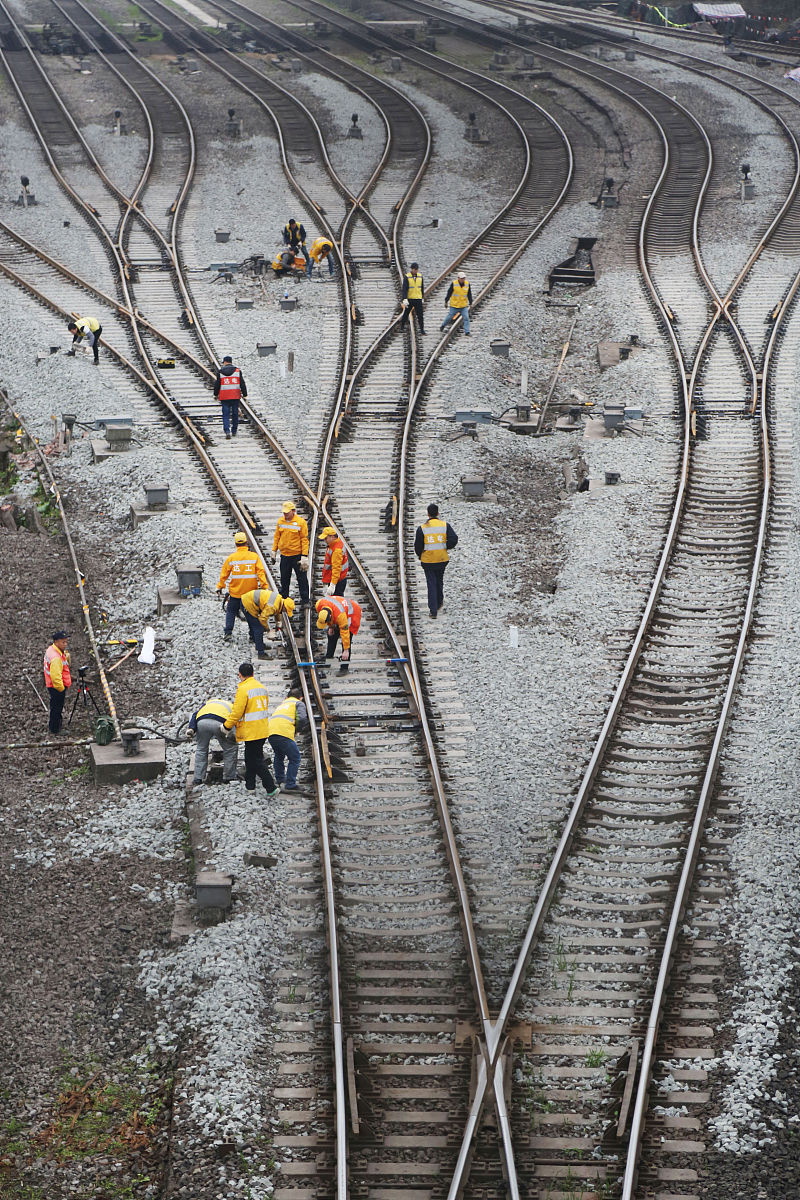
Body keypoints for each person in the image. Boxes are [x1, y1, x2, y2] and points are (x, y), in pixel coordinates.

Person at [223, 663, 278, 795]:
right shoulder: (262, 688)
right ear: (253, 673)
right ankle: (250, 786)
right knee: (251, 757)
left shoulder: (243, 689)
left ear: (240, 675)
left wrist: (227, 726)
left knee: (255, 760)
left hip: (251, 730)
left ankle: (271, 787)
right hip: (262, 728)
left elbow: (237, 711)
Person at [216, 532, 267, 643]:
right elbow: (261, 572)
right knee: (252, 615)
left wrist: (220, 587)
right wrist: (264, 586)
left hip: (235, 593)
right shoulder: (254, 557)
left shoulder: (232, 558)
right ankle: (253, 636)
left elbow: (224, 574)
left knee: (231, 611)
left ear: (236, 544)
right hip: (250, 594)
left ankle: (228, 632)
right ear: (246, 542)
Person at [414, 503, 458, 619]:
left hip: (428, 560)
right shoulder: (444, 525)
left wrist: (420, 555)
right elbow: (454, 539)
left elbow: (418, 546)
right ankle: (439, 603)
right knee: (439, 580)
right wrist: (445, 546)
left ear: (428, 514)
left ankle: (433, 611)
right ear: (438, 513)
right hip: (442, 559)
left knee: (431, 583)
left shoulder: (422, 528)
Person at [186, 697, 238, 788]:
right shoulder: (230, 706)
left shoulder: (207, 704)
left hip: (202, 723)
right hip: (220, 723)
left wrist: (192, 729)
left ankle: (198, 778)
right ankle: (229, 777)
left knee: (201, 749)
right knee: (230, 749)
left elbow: (194, 715)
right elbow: (235, 720)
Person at [268, 691, 308, 792]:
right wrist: (297, 730)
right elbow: (302, 718)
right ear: (301, 698)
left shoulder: (283, 704)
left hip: (271, 733)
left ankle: (280, 779)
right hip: (283, 733)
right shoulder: (298, 703)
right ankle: (290, 784)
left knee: (279, 755)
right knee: (295, 758)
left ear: (287, 696)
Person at [272, 500, 310, 605]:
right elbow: (277, 537)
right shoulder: (280, 522)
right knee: (284, 578)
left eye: (287, 513)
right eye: (284, 513)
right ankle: (284, 599)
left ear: (293, 511)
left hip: (297, 556)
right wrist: (274, 551)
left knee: (302, 579)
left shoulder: (301, 522)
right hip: (285, 555)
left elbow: (304, 540)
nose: (285, 515)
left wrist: (304, 556)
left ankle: (305, 599)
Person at [241, 589, 295, 658]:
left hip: (248, 599)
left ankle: (257, 642)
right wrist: (268, 630)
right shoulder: (272, 606)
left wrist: (278, 621)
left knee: (254, 624)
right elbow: (262, 619)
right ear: (284, 607)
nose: (286, 612)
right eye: (286, 611)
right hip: (248, 604)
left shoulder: (279, 599)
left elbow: (278, 611)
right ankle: (261, 653)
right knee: (258, 628)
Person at [315, 595, 361, 668]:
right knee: (331, 635)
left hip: (352, 614)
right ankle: (329, 659)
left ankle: (344, 666)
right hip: (338, 611)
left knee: (346, 640)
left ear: (330, 617)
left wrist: (346, 650)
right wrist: (331, 627)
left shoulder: (340, 615)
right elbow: (330, 617)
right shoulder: (319, 604)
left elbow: (345, 634)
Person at [43, 630, 71, 735]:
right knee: (57, 707)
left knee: (55, 706)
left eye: (66, 642)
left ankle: (55, 725)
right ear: (56, 642)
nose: (65, 644)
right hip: (56, 687)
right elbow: (56, 678)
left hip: (51, 684)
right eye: (63, 642)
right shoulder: (56, 658)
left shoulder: (51, 650)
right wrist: (61, 689)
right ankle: (55, 729)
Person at [213, 356, 247, 440]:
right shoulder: (237, 371)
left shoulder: (220, 372)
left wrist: (215, 394)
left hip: (224, 396)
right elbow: (242, 383)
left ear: (224, 362)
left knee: (225, 414)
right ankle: (234, 430)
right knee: (235, 413)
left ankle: (227, 431)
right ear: (231, 362)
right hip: (235, 395)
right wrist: (245, 394)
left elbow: (217, 384)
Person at [319, 526, 349, 596]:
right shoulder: (335, 544)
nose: (324, 540)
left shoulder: (336, 550)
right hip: (339, 579)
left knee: (337, 602)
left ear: (332, 537)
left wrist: (332, 585)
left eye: (326, 538)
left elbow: (336, 568)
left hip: (338, 581)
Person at [400, 262, 425, 334]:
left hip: (418, 299)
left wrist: (422, 297)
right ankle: (402, 327)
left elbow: (422, 287)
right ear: (411, 269)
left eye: (417, 269)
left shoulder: (420, 276)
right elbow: (404, 289)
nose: (416, 271)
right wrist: (404, 298)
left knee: (420, 315)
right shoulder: (407, 277)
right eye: (415, 269)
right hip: (410, 299)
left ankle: (422, 330)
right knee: (406, 313)